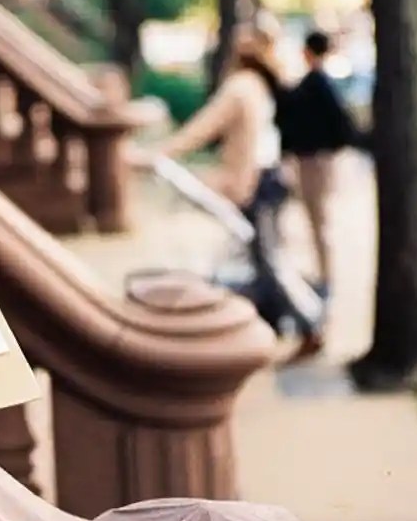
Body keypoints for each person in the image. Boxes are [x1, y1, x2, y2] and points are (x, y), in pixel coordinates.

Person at [131, 24, 324, 356]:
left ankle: (311, 321)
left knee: (269, 259)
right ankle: (276, 322)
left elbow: (201, 130)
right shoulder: (260, 85)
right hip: (269, 177)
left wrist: (156, 154)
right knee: (263, 256)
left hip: (257, 181)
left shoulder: (240, 87)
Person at [282, 30, 357, 303]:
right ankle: (324, 276)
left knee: (319, 220)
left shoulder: (317, 84)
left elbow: (341, 125)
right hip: (316, 158)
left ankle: (326, 279)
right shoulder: (320, 83)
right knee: (317, 220)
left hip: (315, 160)